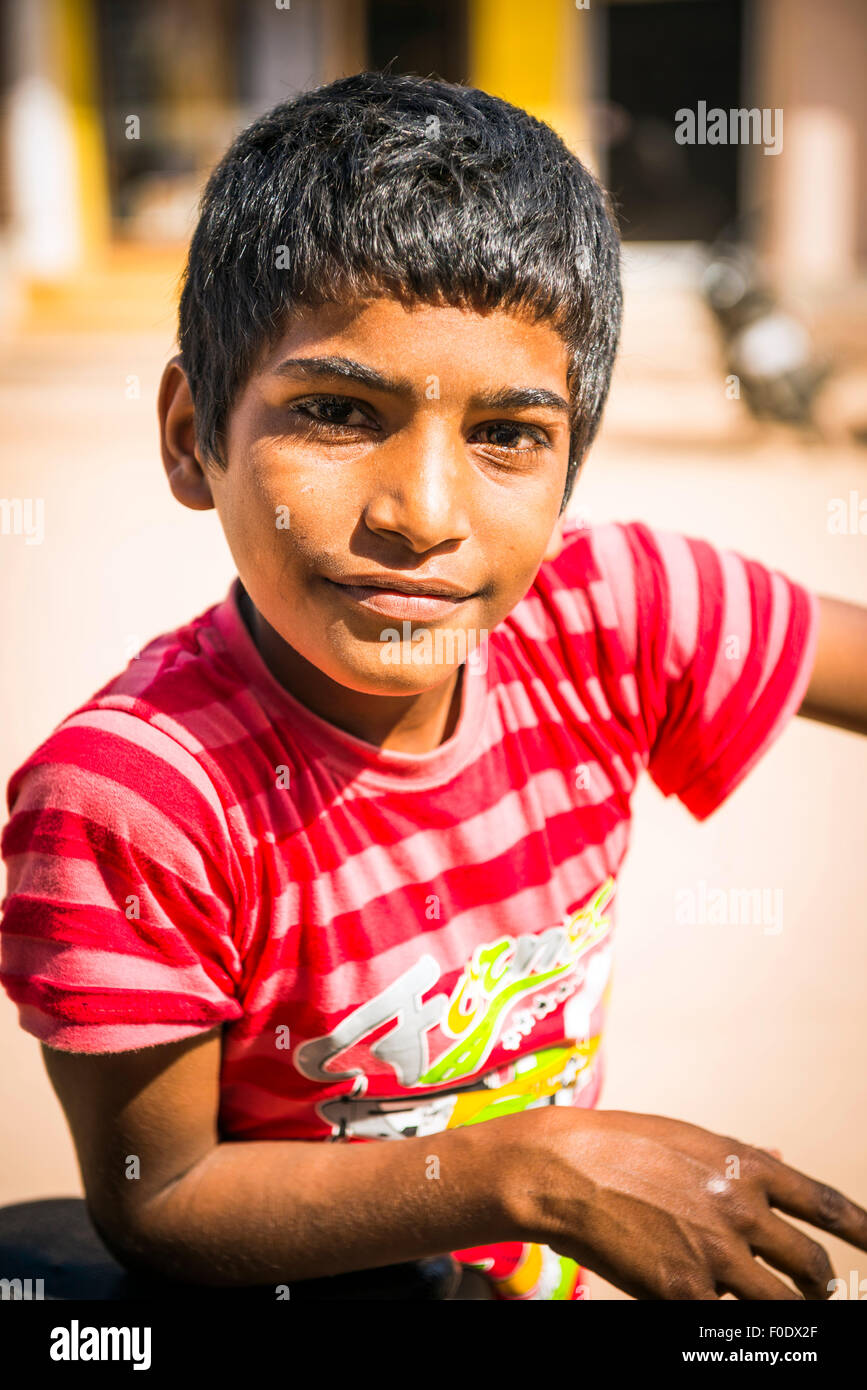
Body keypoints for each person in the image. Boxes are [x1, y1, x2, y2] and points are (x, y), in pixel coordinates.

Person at [2, 71, 866, 1303]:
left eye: (509, 433)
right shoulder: (132, 800)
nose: (425, 515)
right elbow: (162, 1199)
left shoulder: (604, 609)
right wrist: (533, 1173)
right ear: (194, 438)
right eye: (339, 412)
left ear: (571, 466)